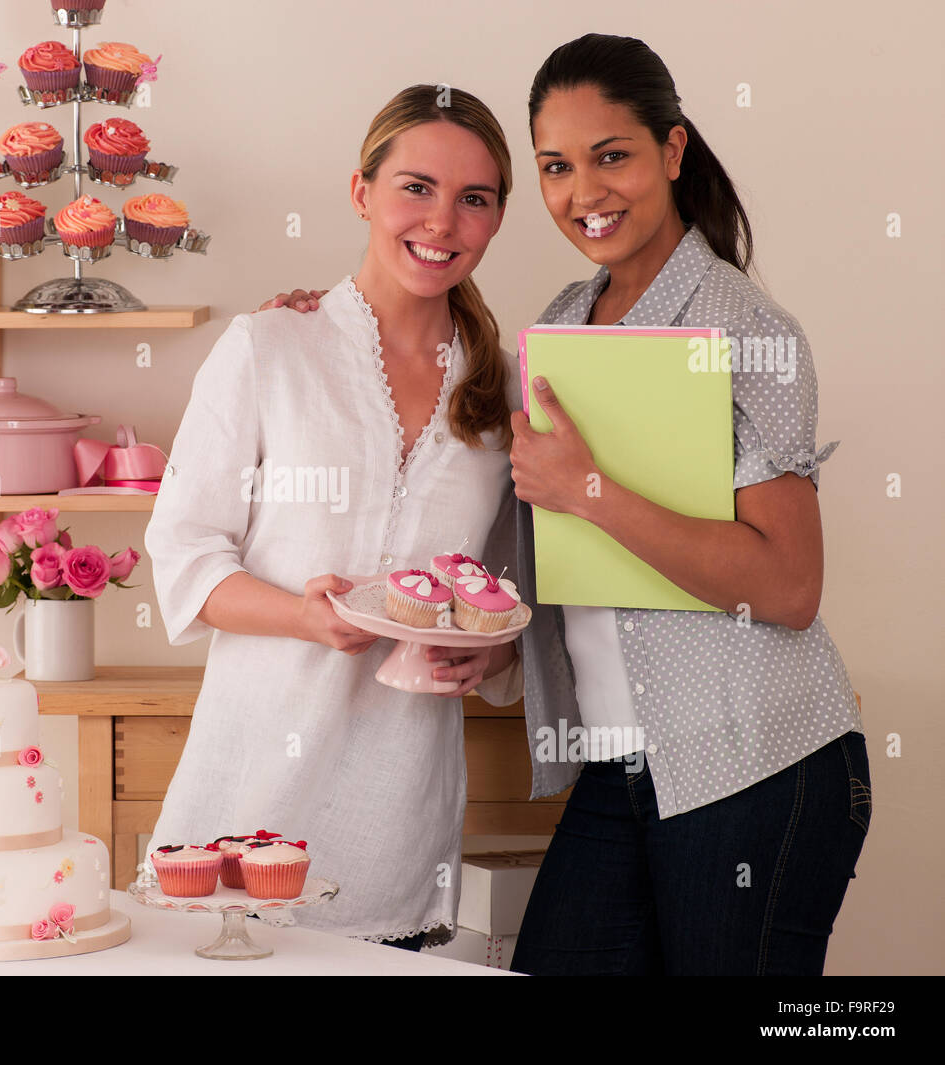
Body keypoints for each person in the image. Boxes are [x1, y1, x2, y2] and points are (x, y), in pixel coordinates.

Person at [270, 35, 870, 975]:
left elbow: (789, 584)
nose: (584, 192)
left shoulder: (747, 327)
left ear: (673, 152)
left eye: (612, 156)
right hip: (622, 764)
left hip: (755, 760)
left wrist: (589, 491)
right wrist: (337, 322)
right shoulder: (564, 314)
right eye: (556, 167)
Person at [142, 84, 523, 949]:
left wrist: (489, 647)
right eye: (416, 187)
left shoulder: (501, 390)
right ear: (362, 192)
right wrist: (306, 619)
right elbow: (185, 553)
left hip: (397, 816)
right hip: (244, 801)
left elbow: (506, 592)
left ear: (497, 217)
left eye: (475, 199)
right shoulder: (270, 346)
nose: (443, 221)